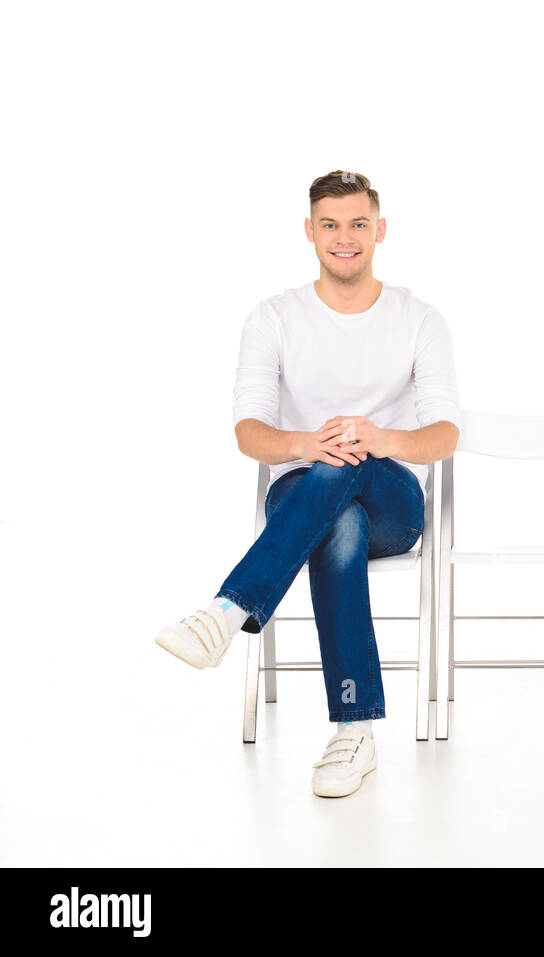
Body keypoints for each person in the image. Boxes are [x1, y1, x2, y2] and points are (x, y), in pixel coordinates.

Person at [154, 170, 462, 798]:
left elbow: (443, 436)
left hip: (392, 498)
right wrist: (308, 444)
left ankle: (228, 610)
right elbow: (248, 431)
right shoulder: (274, 317)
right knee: (334, 520)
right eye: (330, 225)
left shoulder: (418, 318)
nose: (343, 238)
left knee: (346, 487)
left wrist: (377, 439)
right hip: (302, 491)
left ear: (379, 230)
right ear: (309, 231)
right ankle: (354, 730)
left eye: (356, 224)